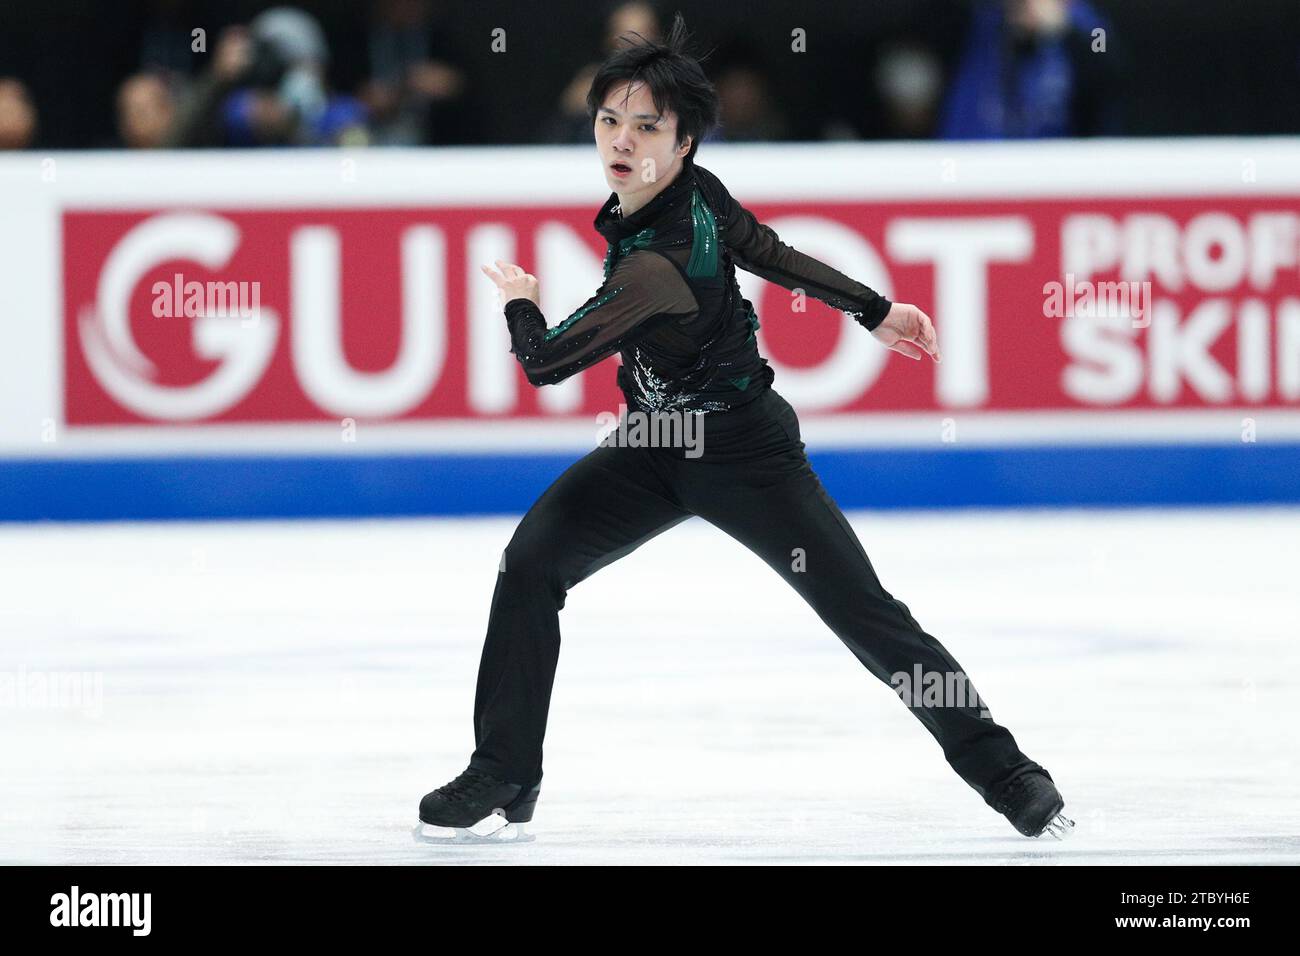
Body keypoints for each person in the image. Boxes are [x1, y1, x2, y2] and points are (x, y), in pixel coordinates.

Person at [416, 14, 1072, 843]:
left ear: (684, 141)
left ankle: (1011, 777)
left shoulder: (657, 264)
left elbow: (546, 361)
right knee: (532, 563)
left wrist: (518, 298)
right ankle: (505, 770)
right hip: (655, 447)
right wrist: (872, 309)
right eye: (610, 120)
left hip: (743, 453)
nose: (621, 140)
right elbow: (768, 251)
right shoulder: (695, 193)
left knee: (866, 615)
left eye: (647, 127)